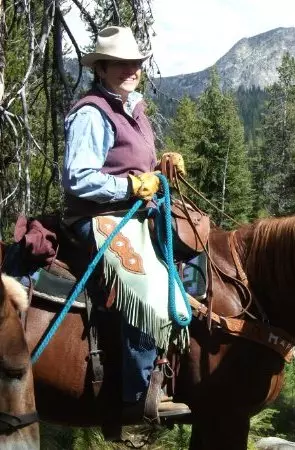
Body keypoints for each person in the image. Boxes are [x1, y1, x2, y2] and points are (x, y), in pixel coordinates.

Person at [62, 25, 189, 419]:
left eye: (134, 62)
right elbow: (78, 177)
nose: (129, 69)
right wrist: (134, 185)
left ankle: (177, 369)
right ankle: (137, 395)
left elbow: (138, 165)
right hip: (95, 217)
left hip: (133, 214)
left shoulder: (134, 109)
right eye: (118, 63)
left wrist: (158, 166)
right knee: (144, 288)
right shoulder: (91, 112)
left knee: (194, 258)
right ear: (100, 68)